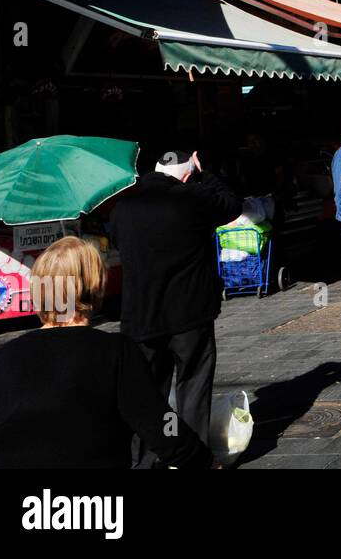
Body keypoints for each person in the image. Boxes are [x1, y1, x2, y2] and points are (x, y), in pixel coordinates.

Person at [0, 236, 211, 469]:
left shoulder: (4, 358)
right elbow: (163, 425)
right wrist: (202, 458)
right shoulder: (115, 352)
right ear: (95, 286)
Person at [109, 148, 241, 467]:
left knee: (147, 395)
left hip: (142, 317)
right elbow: (232, 204)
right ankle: (190, 459)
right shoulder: (192, 198)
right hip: (189, 315)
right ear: (186, 175)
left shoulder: (124, 206)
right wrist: (204, 173)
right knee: (192, 387)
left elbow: (115, 241)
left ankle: (149, 455)